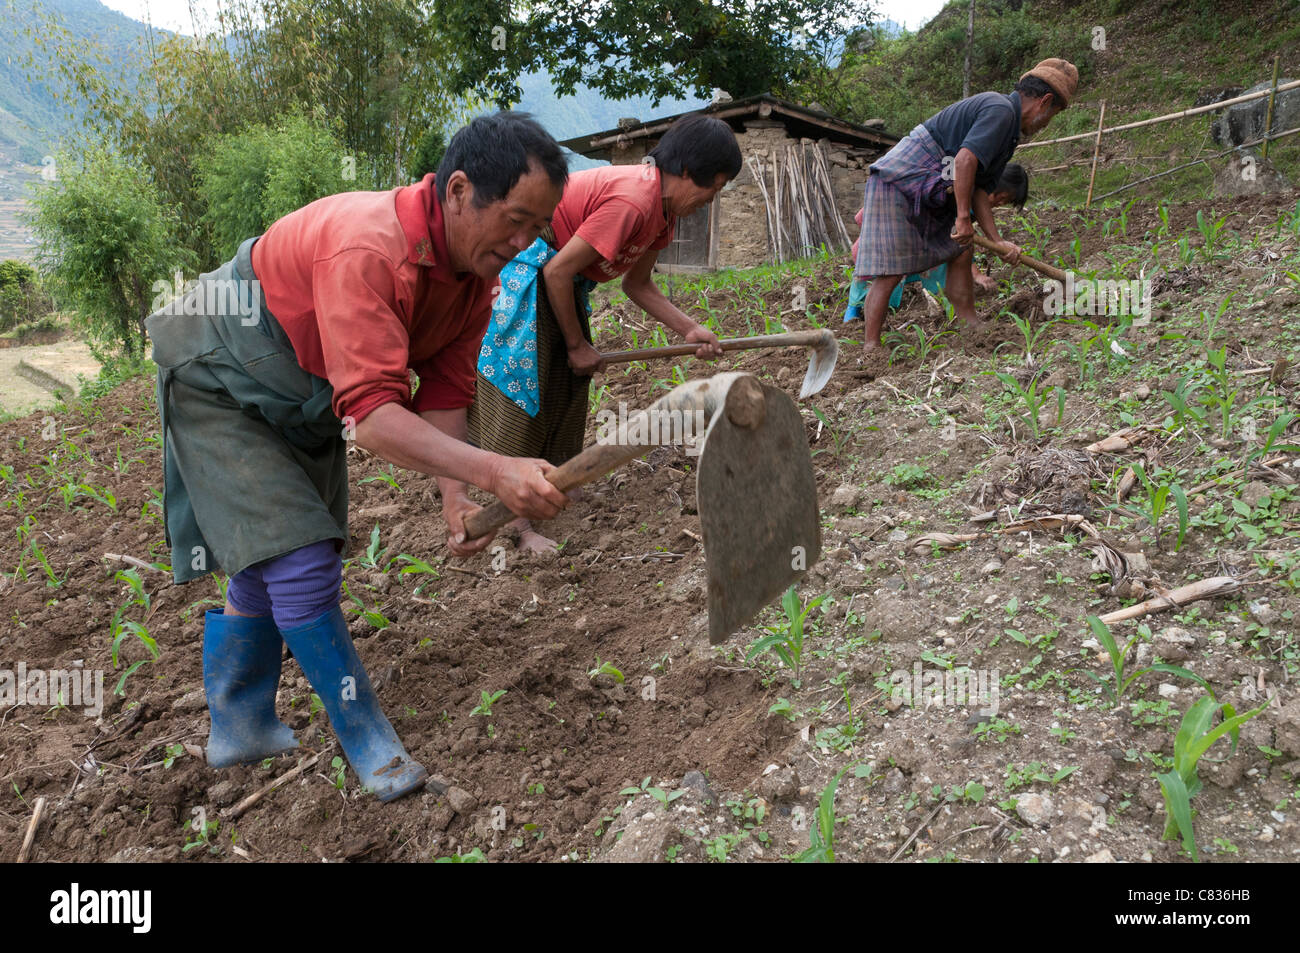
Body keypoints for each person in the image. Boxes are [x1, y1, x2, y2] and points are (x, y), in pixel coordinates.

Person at [145, 112, 572, 803]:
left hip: (300, 390)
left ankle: (241, 724)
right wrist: (496, 470)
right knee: (301, 553)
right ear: (459, 190)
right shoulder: (370, 249)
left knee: (270, 555)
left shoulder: (471, 275)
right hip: (221, 379)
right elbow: (372, 419)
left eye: (538, 228)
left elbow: (441, 389)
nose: (525, 242)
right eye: (516, 220)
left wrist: (455, 497)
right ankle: (365, 734)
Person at [467, 113, 741, 553]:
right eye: (715, 186)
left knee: (565, 388)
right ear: (688, 171)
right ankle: (518, 524)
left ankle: (556, 484)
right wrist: (576, 344)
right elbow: (556, 269)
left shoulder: (662, 213)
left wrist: (689, 328)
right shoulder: (633, 199)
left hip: (561, 284)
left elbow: (638, 284)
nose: (712, 199)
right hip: (533, 276)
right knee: (529, 391)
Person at [851, 58, 1077, 351]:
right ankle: (871, 347)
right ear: (1045, 102)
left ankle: (969, 324)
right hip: (902, 179)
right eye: (1053, 115)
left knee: (961, 250)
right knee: (891, 269)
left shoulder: (1008, 132)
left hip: (934, 184)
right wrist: (961, 219)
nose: (1047, 124)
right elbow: (964, 161)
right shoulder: (1000, 111)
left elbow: (980, 189)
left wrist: (998, 241)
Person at [843, 163, 1029, 320]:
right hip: (885, 243)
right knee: (876, 287)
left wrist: (977, 274)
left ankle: (939, 303)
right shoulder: (954, 194)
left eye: (1006, 201)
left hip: (916, 247)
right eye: (1000, 197)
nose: (1000, 204)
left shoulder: (973, 206)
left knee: (942, 258)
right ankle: (852, 317)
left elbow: (961, 244)